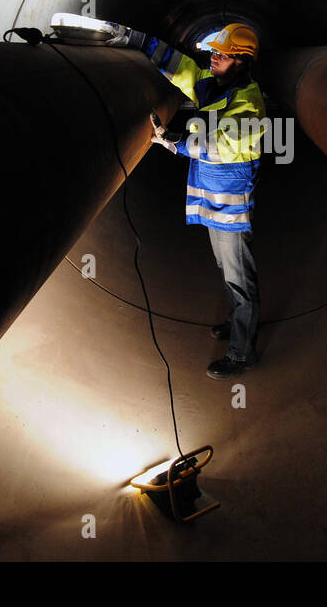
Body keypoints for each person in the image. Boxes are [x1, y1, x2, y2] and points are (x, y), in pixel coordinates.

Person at [109, 22, 266, 378]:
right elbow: (178, 65)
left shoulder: (249, 102)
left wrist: (175, 143)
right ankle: (237, 321)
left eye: (221, 55)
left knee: (240, 277)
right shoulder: (210, 85)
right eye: (213, 52)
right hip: (213, 200)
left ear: (240, 62)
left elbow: (221, 145)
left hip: (231, 206)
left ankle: (243, 354)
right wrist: (137, 38)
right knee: (226, 270)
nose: (213, 58)